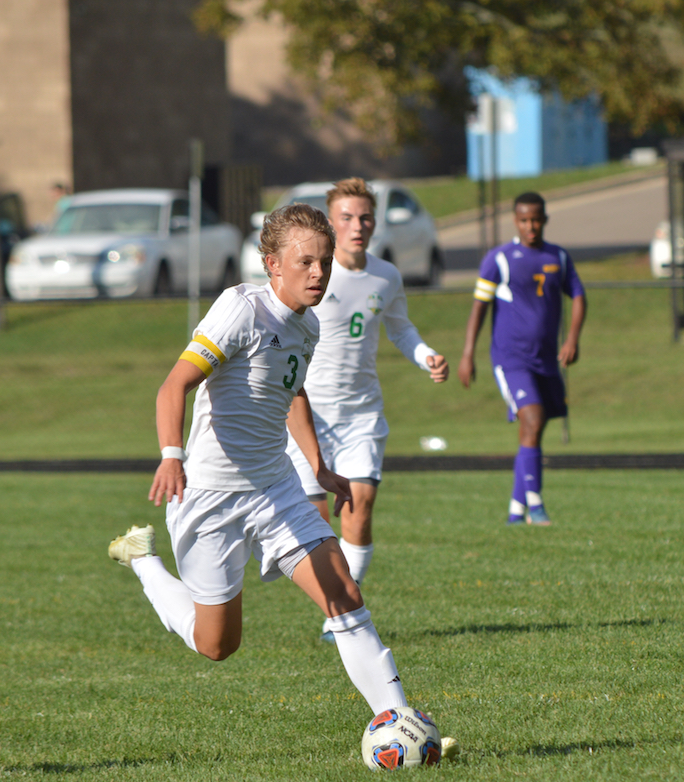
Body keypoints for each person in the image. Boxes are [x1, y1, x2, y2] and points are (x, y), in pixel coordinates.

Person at [107, 203, 413, 720]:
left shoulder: (309, 326)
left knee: (344, 595)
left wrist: (317, 466)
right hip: (208, 495)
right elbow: (174, 385)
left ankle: (399, 720)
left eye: (326, 261)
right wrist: (171, 456)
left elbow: (291, 394)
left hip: (276, 488)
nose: (319, 273)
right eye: (306, 262)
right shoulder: (241, 310)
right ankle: (142, 560)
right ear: (272, 263)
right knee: (217, 645)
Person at [285, 178, 449, 639]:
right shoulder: (314, 274)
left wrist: (426, 355)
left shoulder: (386, 276)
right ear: (330, 223)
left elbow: (401, 329)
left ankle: (339, 615)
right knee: (315, 524)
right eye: (347, 218)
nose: (357, 226)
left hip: (361, 414)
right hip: (308, 417)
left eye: (365, 218)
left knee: (361, 505)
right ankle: (334, 602)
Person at [458, 192, 586, 525]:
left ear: (544, 219)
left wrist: (572, 339)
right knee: (532, 418)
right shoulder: (499, 258)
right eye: (524, 220)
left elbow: (579, 297)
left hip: (545, 359)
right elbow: (479, 307)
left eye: (536, 219)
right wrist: (468, 353)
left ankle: (516, 512)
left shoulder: (558, 256)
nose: (531, 226)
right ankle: (537, 507)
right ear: (516, 221)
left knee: (533, 430)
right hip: (510, 358)